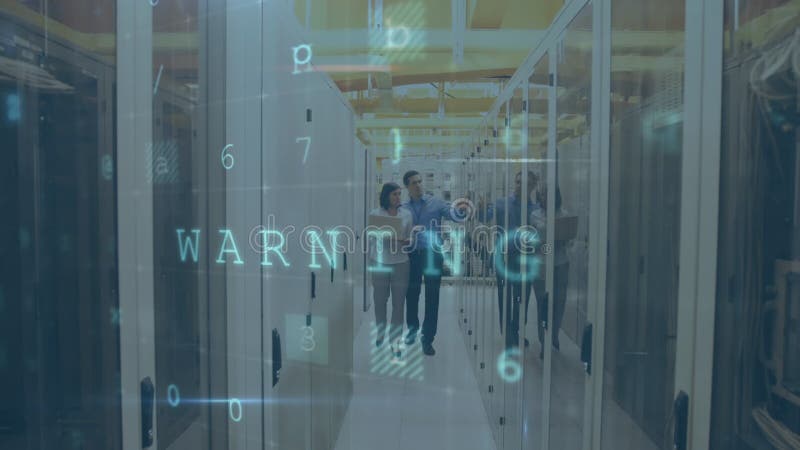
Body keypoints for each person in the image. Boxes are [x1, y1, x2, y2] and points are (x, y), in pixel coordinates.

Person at [402, 170, 468, 356]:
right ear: (407, 187)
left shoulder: (436, 202)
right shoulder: (403, 208)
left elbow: (455, 216)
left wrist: (463, 209)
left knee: (432, 297)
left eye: (420, 181)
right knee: (412, 295)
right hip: (412, 255)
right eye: (414, 182)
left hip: (433, 255)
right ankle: (412, 331)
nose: (418, 185)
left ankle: (427, 338)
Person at [486, 171, 540, 351]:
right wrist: (479, 209)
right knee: (505, 297)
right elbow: (485, 218)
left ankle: (515, 331)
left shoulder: (537, 210)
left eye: (524, 184)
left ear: (532, 187)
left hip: (526, 260)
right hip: (504, 258)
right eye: (517, 182)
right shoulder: (501, 204)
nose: (518, 186)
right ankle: (508, 336)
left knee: (521, 299)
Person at [369, 182, 413, 358]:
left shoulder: (407, 214)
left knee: (398, 303)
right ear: (386, 195)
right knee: (380, 300)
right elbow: (371, 238)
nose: (397, 197)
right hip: (379, 261)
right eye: (394, 194)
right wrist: (383, 237)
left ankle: (395, 342)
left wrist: (406, 241)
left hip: (401, 262)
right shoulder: (375, 214)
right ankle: (380, 332)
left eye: (399, 194)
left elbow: (410, 237)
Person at [532, 185, 570, 359]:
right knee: (543, 304)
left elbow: (568, 239)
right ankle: (543, 342)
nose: (546, 198)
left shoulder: (564, 214)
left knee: (559, 303)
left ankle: (553, 335)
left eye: (550, 195)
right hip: (541, 263)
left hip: (560, 263)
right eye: (543, 195)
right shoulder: (535, 215)